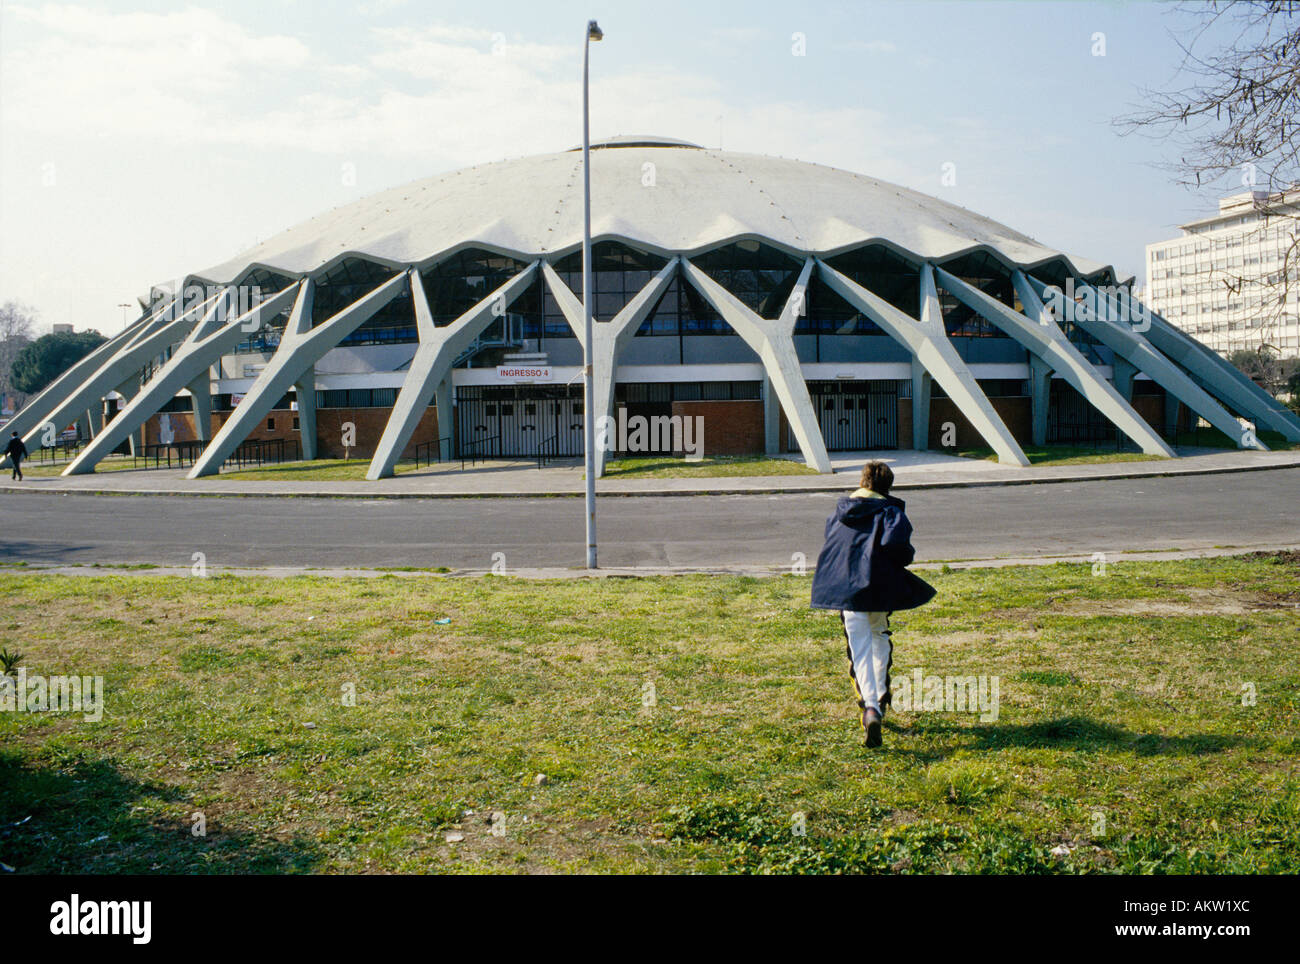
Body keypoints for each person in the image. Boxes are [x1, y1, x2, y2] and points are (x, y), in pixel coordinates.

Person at [810, 460, 935, 748]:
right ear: (887, 486)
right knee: (879, 634)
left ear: (862, 482)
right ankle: (879, 695)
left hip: (845, 589)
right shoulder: (890, 512)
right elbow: (899, 549)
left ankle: (870, 707)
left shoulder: (839, 513)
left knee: (858, 648)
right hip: (878, 587)